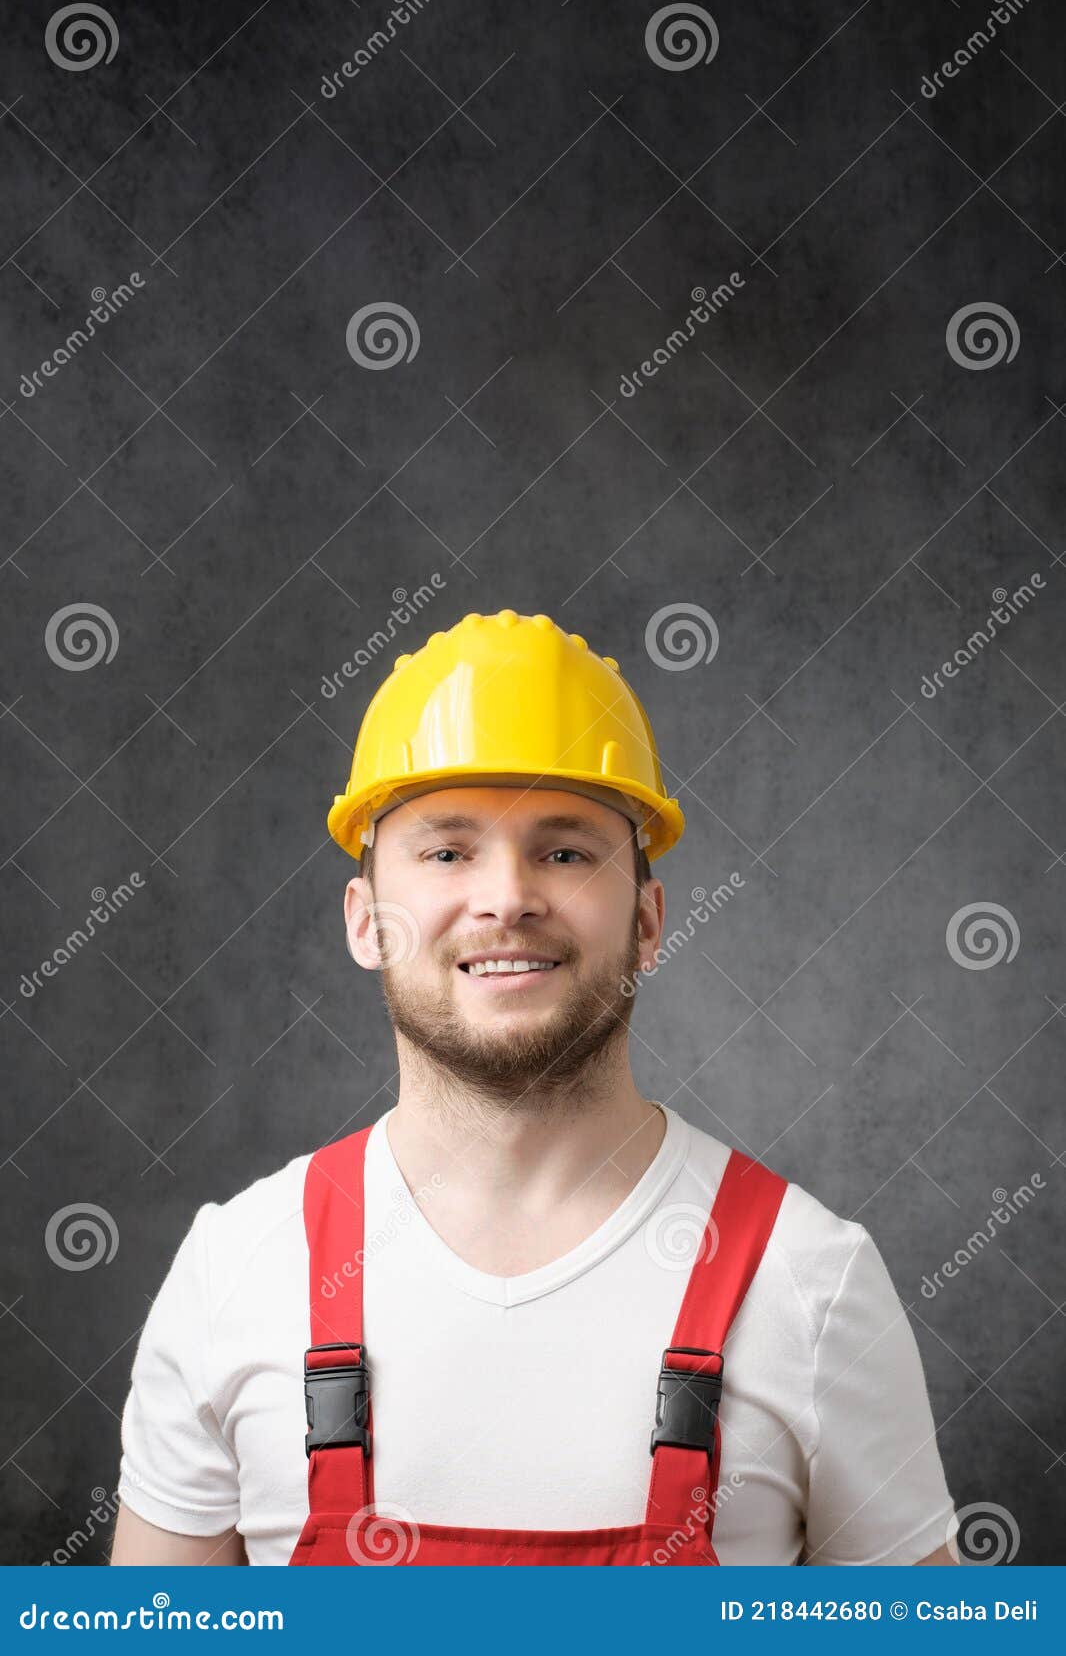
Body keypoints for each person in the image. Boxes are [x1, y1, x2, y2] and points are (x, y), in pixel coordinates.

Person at [111, 608, 957, 1565]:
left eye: (564, 850)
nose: (507, 897)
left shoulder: (809, 1279)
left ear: (645, 919)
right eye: (446, 851)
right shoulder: (236, 1271)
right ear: (365, 922)